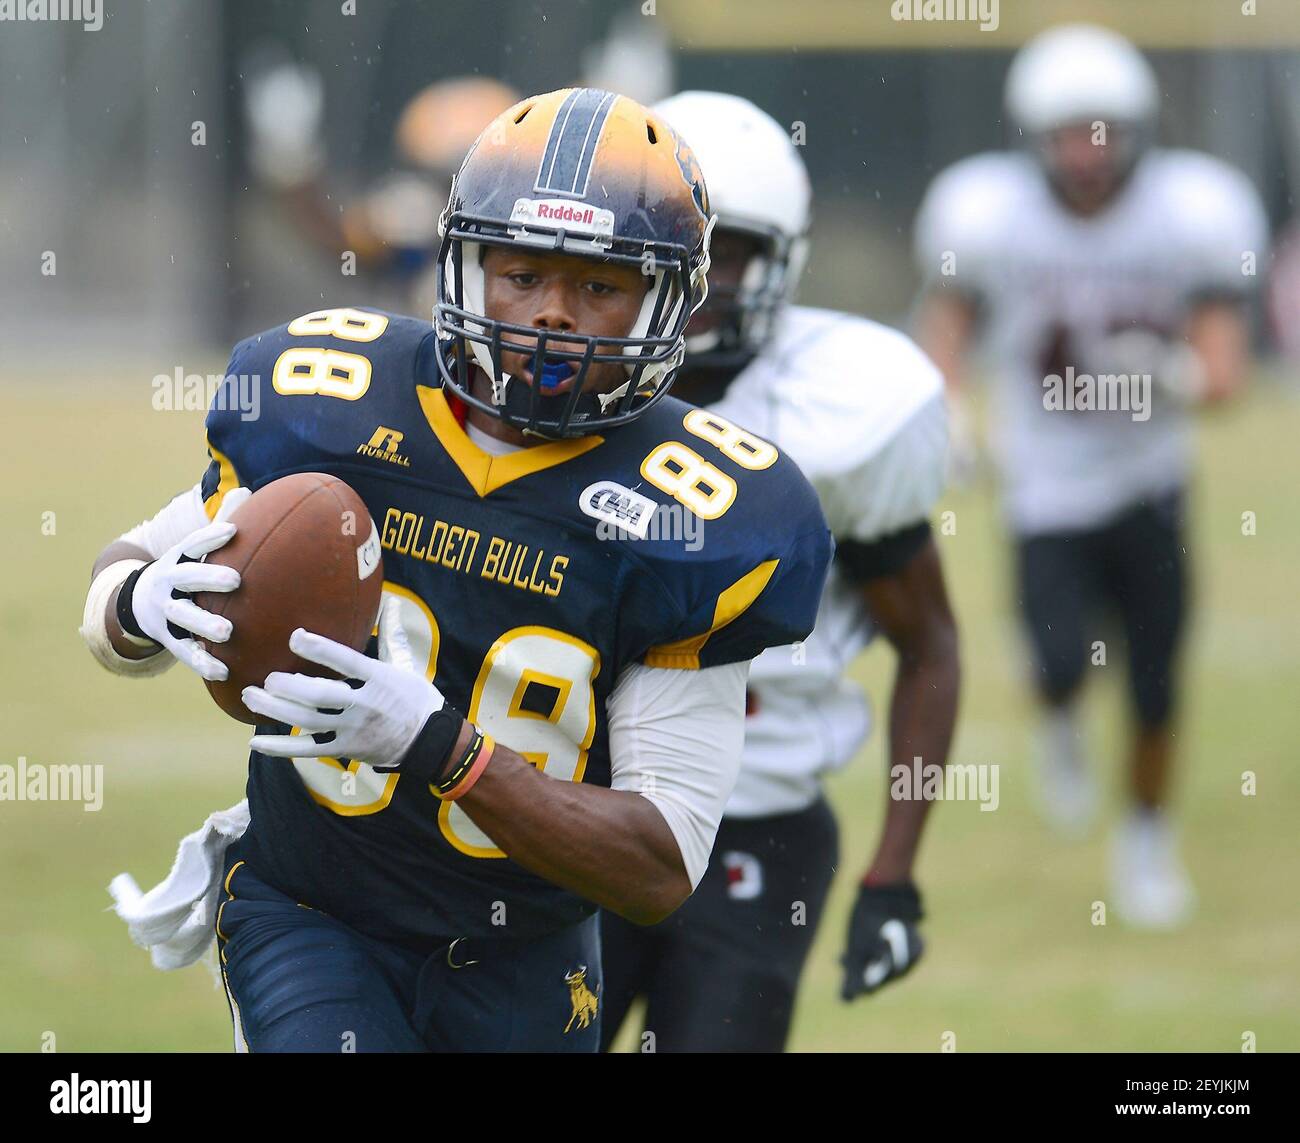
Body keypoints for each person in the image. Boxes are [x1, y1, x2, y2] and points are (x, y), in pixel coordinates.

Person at [83, 87, 833, 1052]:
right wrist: (137, 603)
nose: (553, 317)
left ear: (666, 303)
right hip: (314, 909)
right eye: (522, 275)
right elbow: (126, 582)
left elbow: (658, 863)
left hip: (527, 947)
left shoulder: (700, 510)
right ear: (465, 266)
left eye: (599, 288)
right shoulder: (330, 401)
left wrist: (442, 747)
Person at [599, 91, 960, 1053]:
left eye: (729, 251)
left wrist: (894, 875)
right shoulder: (556, 381)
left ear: (783, 259)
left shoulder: (844, 415)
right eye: (673, 242)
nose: (696, 276)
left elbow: (929, 645)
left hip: (750, 831)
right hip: (571, 814)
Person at [912, 25, 1268, 927]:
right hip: (1046, 486)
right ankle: (1062, 720)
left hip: (1151, 481)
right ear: (1033, 136)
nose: (1087, 153)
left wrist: (1174, 374)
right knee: (1061, 661)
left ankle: (1147, 839)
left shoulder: (1191, 214)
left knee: (1155, 682)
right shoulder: (989, 217)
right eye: (1070, 132)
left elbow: (1227, 374)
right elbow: (944, 340)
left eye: (1102, 131)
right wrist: (952, 420)